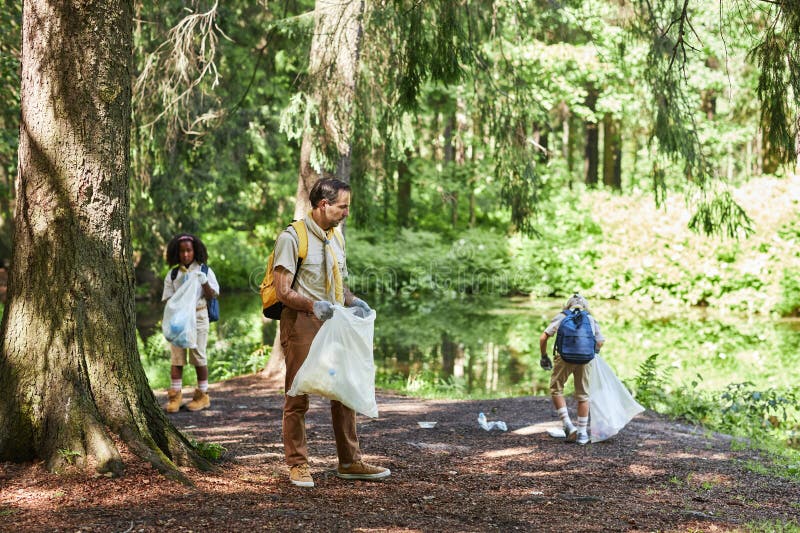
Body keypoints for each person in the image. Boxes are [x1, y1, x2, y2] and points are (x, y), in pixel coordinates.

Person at [273, 177, 390, 488]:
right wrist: (312, 305)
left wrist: (354, 301)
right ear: (323, 205)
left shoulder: (337, 237)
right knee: (297, 394)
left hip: (335, 322)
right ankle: (297, 464)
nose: (347, 212)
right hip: (302, 321)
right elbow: (282, 290)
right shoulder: (292, 237)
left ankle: (350, 461)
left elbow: (340, 283)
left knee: (345, 390)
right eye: (343, 206)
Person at [162, 233, 220, 413]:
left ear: (195, 251)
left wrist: (204, 284)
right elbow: (168, 300)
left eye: (188, 250)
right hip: (178, 321)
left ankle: (203, 396)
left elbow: (213, 295)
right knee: (177, 358)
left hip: (199, 317)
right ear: (176, 253)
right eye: (181, 251)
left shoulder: (204, 271)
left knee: (198, 355)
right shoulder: (173, 274)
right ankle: (175, 397)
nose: (185, 255)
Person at [539, 294, 605, 445]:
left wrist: (544, 356)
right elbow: (600, 342)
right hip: (585, 360)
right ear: (585, 305)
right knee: (583, 395)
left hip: (564, 358)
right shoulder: (590, 318)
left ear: (567, 304)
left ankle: (568, 425)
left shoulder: (562, 316)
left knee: (556, 389)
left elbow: (544, 337)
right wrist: (591, 353)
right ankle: (582, 433)